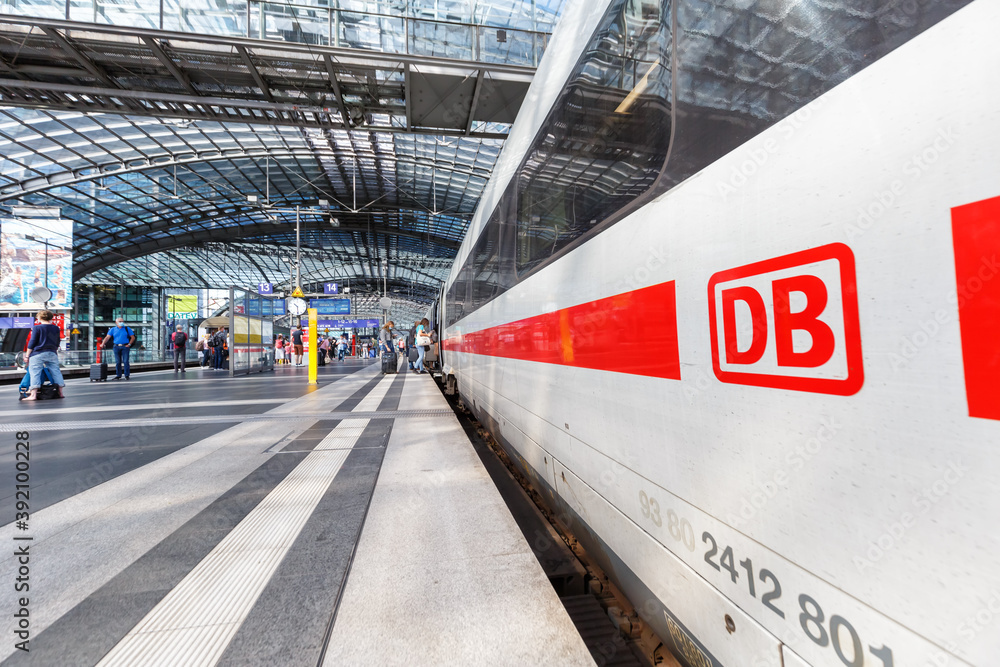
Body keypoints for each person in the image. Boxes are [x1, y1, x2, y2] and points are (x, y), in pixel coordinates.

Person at [22, 310, 66, 400]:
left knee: (35, 373)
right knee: (56, 372)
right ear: (51, 318)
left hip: (38, 353)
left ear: (39, 318)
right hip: (52, 352)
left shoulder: (37, 328)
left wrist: (27, 355)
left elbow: (32, 342)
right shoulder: (56, 328)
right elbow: (57, 341)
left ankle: (33, 395)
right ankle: (60, 392)